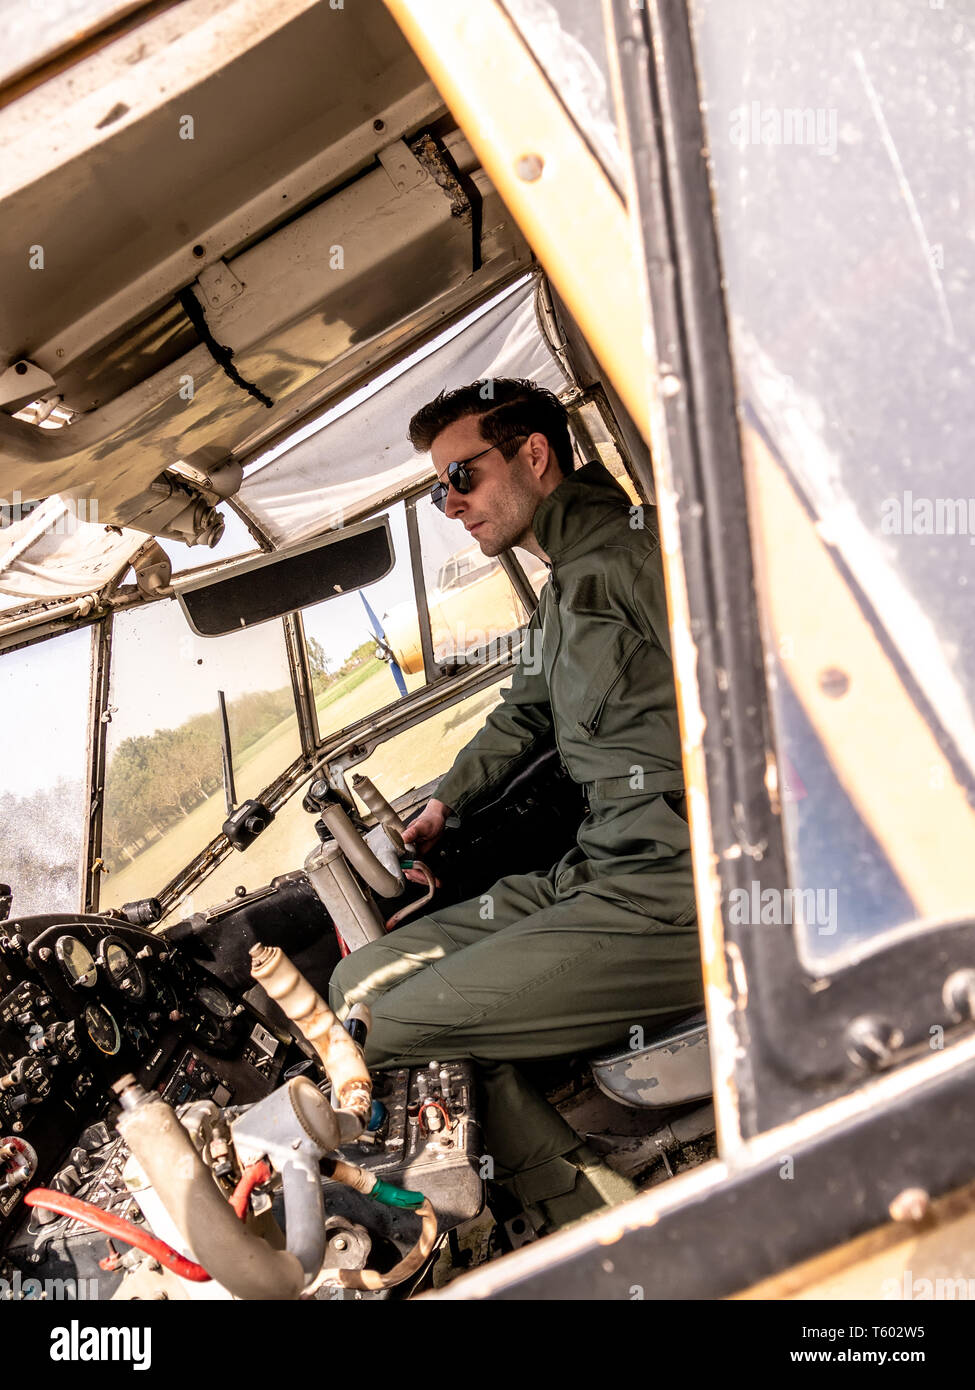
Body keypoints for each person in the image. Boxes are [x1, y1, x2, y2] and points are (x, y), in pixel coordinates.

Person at [329, 377, 704, 1233]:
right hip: (602, 868)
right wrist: (443, 805)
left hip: (679, 890)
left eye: (459, 477)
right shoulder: (567, 586)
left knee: (380, 1021)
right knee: (356, 981)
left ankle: (588, 1225)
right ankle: (565, 1190)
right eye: (436, 489)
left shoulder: (641, 558)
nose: (448, 506)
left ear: (534, 453)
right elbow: (524, 711)